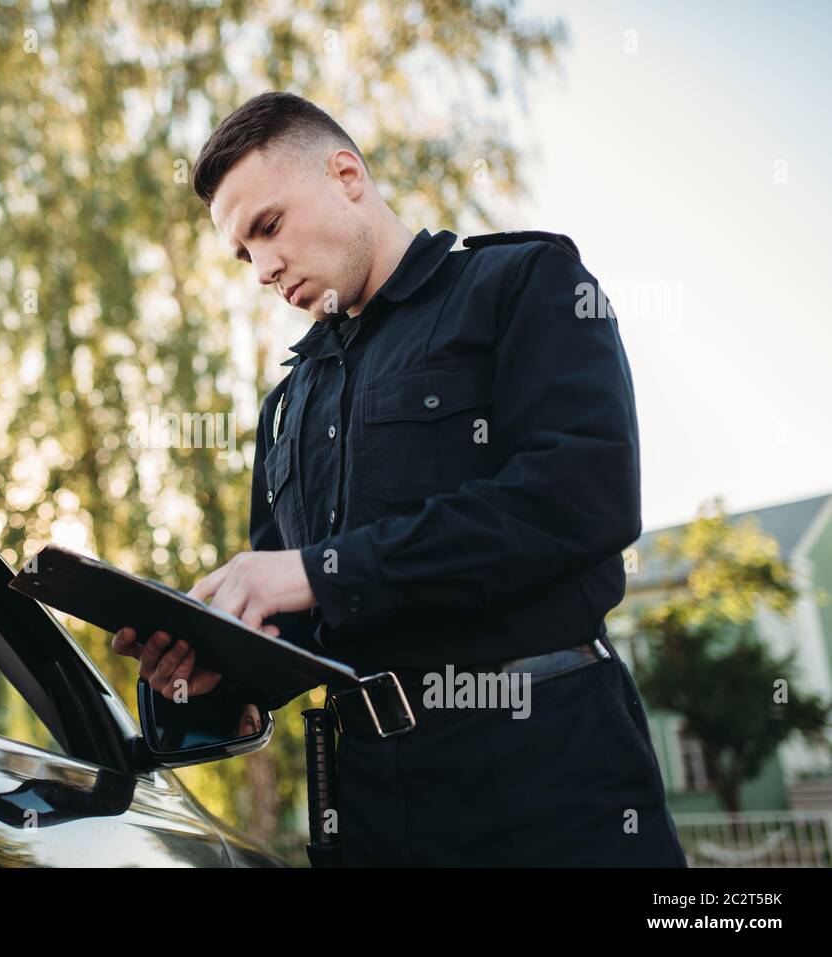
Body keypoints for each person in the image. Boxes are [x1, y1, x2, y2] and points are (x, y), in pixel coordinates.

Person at [112, 91, 686, 866]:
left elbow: (580, 497)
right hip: (371, 809)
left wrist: (318, 568)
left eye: (268, 227)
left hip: (546, 776)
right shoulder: (287, 405)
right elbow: (307, 628)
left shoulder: (521, 284)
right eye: (244, 254)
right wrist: (219, 667)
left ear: (347, 174)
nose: (263, 269)